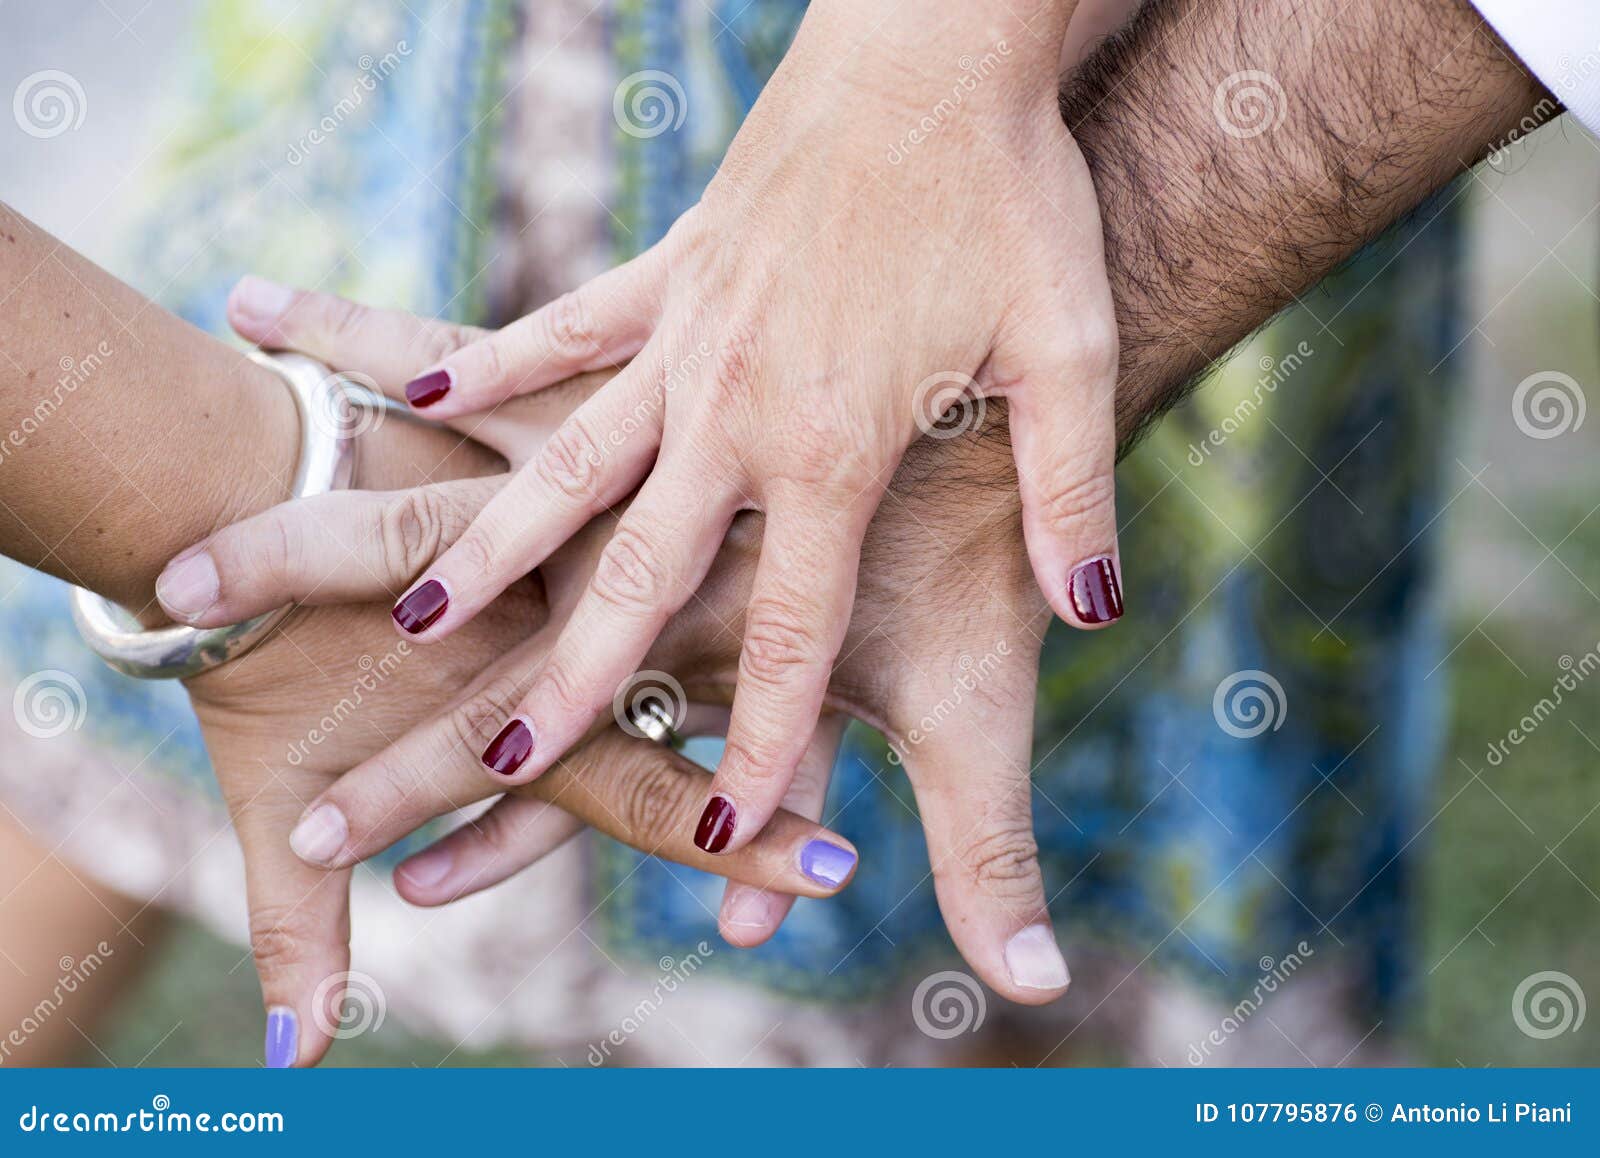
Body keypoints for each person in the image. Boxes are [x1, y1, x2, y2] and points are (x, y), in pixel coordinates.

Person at [0, 0, 1565, 1066]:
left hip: (1186, 128)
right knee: (77, 785)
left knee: (1036, 959)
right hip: (432, 84)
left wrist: (930, 104)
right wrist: (219, 490)